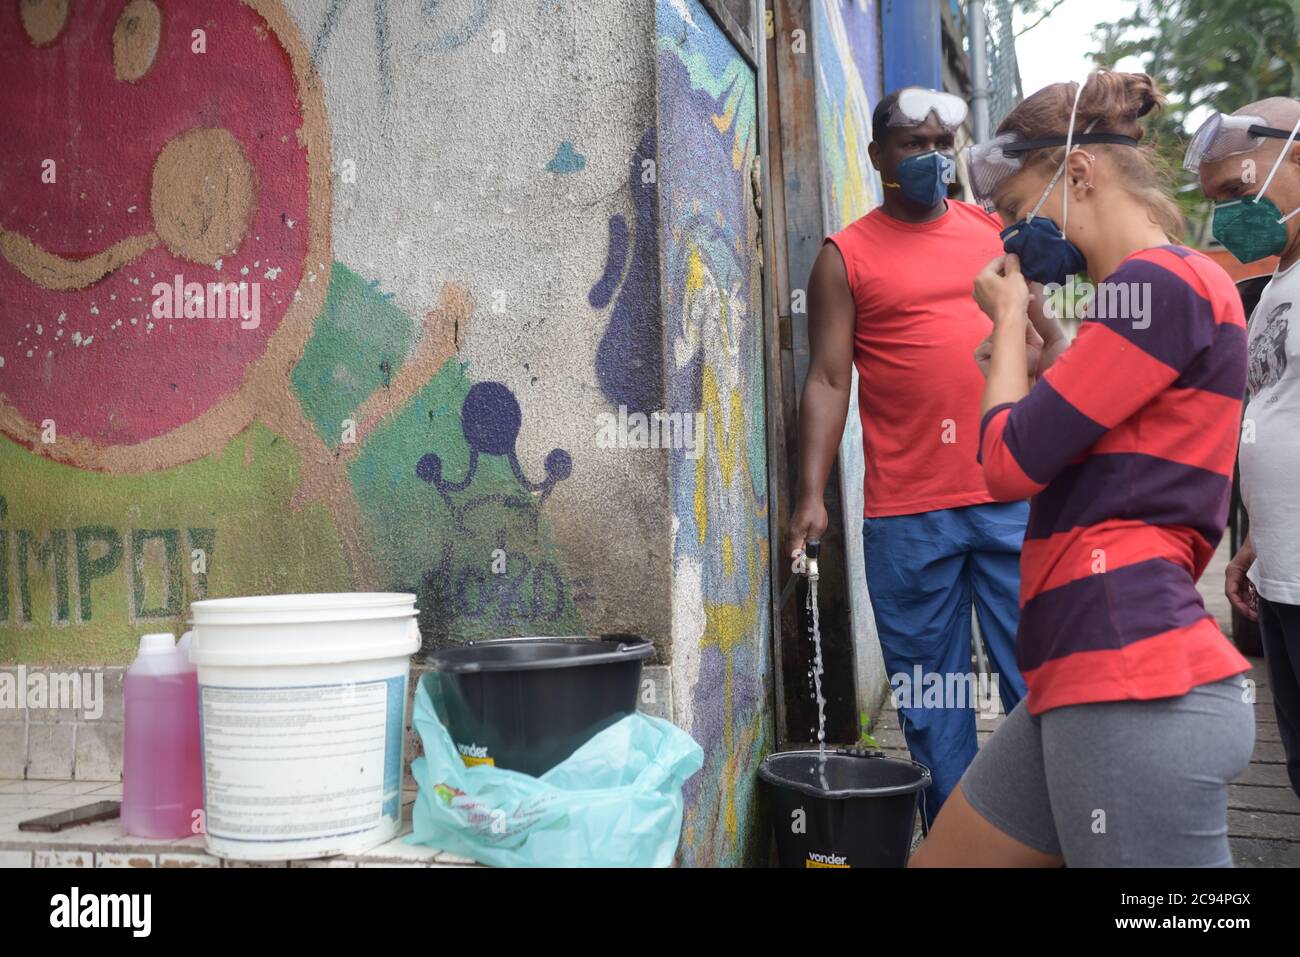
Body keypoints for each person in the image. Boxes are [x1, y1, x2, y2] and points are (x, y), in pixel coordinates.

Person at [912, 71, 1255, 867]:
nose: (1008, 234)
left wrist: (1004, 328)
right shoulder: (1148, 295)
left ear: (1077, 173)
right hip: (1081, 667)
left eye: (1018, 209)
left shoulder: (1160, 280)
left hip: (1131, 671)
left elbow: (1008, 459)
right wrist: (1046, 354)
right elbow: (1112, 434)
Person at [786, 87, 1046, 825]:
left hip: (1008, 493)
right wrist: (812, 494)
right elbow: (830, 378)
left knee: (1040, 681)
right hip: (908, 516)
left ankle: (1050, 835)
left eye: (940, 143)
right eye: (912, 144)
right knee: (933, 707)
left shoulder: (991, 232)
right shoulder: (845, 257)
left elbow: (1039, 344)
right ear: (877, 157)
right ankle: (959, 842)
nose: (931, 157)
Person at [1190, 97, 1300, 800]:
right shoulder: (1277, 284)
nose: (1230, 215)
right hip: (1283, 574)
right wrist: (1259, 539)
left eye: (1239, 191)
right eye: (1217, 201)